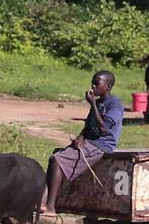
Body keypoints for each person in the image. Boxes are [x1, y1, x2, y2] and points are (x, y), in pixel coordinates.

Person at [40, 70, 123, 214]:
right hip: (90, 142)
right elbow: (88, 127)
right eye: (92, 82)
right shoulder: (97, 103)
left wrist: (93, 105)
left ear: (108, 87)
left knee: (57, 160)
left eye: (97, 83)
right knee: (54, 158)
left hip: (100, 145)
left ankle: (50, 206)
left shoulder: (114, 105)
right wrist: (81, 137)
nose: (93, 86)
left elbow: (103, 128)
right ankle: (42, 203)